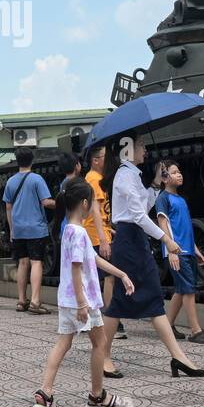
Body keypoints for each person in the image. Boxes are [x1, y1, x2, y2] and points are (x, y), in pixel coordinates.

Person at [98, 133, 204, 379]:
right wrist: (166, 239)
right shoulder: (125, 176)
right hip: (129, 241)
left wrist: (157, 182)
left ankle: (178, 357)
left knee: (152, 297)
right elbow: (138, 216)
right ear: (127, 149)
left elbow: (144, 206)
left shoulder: (132, 175)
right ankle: (103, 357)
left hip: (135, 240)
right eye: (140, 146)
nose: (145, 150)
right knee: (121, 301)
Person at [32, 178, 135, 407]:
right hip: (82, 301)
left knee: (63, 344)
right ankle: (97, 396)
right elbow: (77, 267)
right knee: (100, 343)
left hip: (67, 300)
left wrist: (121, 274)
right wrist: (82, 303)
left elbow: (93, 259)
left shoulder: (69, 230)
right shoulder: (78, 232)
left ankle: (45, 393)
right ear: (85, 203)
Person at [155, 161, 204, 345]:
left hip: (187, 250)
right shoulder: (163, 199)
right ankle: (196, 331)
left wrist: (195, 249)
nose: (179, 174)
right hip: (177, 252)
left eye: (179, 171)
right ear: (165, 178)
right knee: (188, 289)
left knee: (182, 289)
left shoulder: (181, 199)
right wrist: (171, 251)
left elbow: (185, 227)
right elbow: (163, 224)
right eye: (174, 172)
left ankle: (168, 326)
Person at [2, 146, 55, 314]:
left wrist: (12, 229)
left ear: (17, 161)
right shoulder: (36, 179)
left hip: (18, 229)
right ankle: (35, 301)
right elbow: (46, 202)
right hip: (35, 228)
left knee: (22, 263)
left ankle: (21, 300)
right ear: (32, 161)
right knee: (36, 262)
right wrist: (62, 203)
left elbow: (8, 207)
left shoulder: (10, 181)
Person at [82, 144, 125, 342]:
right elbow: (95, 211)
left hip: (99, 233)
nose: (109, 161)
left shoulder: (96, 178)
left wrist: (108, 230)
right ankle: (110, 317)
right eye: (104, 157)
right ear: (95, 160)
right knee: (109, 277)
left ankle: (103, 316)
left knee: (102, 277)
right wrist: (103, 238)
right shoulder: (93, 179)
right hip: (95, 236)